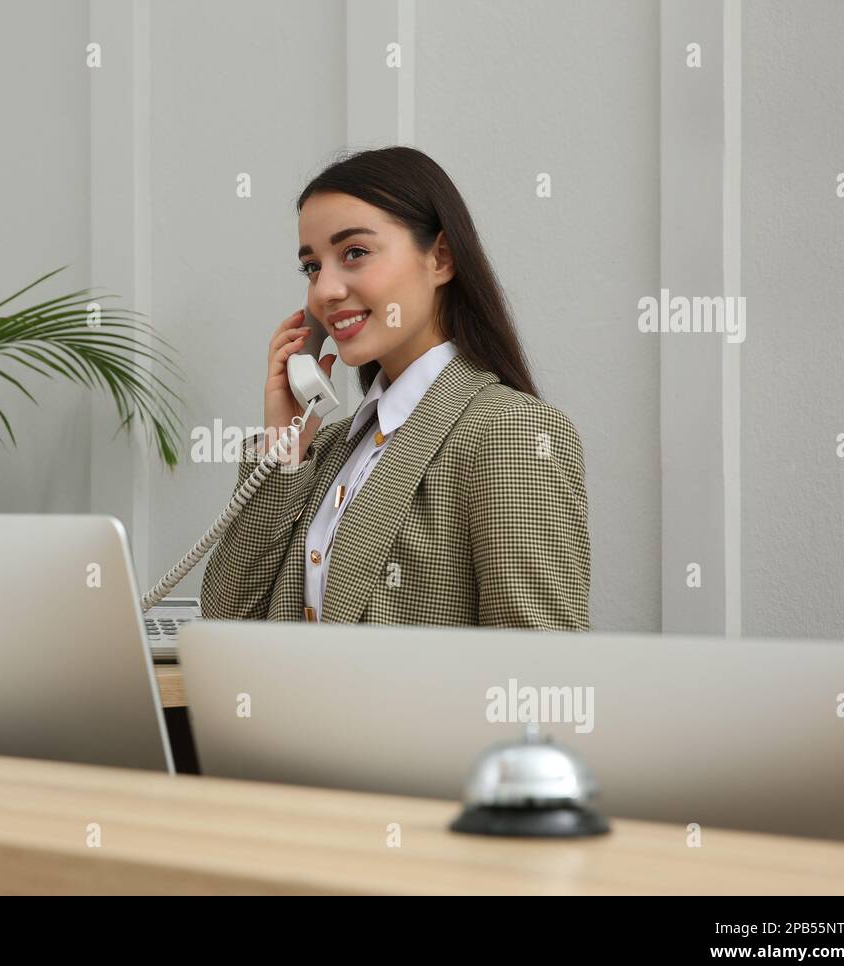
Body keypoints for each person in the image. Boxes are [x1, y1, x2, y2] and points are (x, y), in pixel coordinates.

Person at [201, 146, 590, 630]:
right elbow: (227, 618)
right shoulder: (324, 450)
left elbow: (537, 674)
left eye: (355, 253)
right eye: (312, 267)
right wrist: (284, 446)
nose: (324, 291)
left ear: (441, 258)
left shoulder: (509, 431)